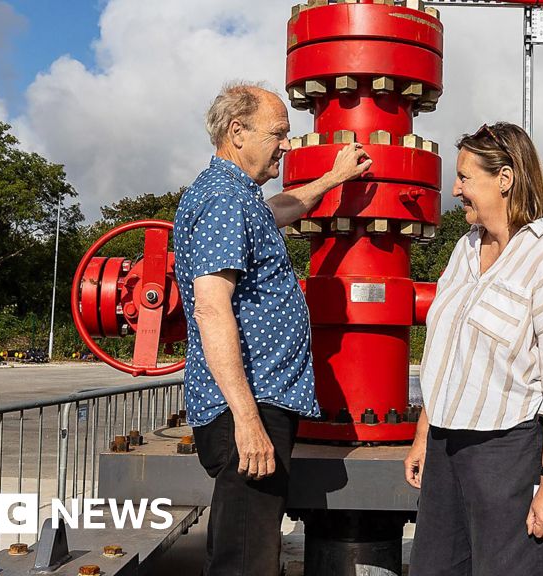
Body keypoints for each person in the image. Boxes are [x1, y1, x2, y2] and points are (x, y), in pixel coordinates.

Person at [173, 81, 371, 576]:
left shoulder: (238, 196)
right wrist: (247, 421)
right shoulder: (224, 199)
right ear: (237, 132)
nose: (287, 144)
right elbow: (211, 309)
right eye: (278, 133)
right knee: (247, 559)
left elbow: (280, 209)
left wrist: (333, 178)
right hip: (249, 404)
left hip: (259, 399)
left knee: (245, 546)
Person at [404, 122, 543, 575]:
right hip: (445, 446)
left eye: (465, 178)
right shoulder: (464, 249)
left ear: (505, 179)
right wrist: (423, 436)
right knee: (433, 569)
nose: (455, 189)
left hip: (504, 454)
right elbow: (445, 355)